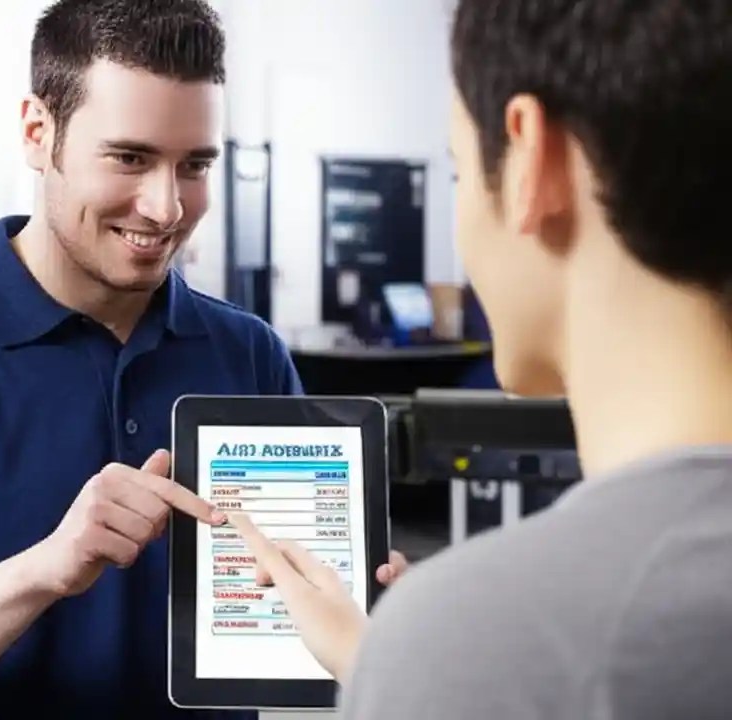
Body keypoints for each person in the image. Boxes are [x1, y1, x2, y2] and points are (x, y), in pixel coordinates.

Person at [0, 1, 407, 718]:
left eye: (194, 165)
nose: (166, 207)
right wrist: (42, 572)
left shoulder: (249, 353)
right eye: (130, 158)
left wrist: (383, 617)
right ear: (37, 132)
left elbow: (298, 629)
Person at [233, 1, 732, 718]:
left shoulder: (478, 644)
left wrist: (429, 656)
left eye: (459, 172)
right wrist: (395, 658)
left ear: (531, 160)